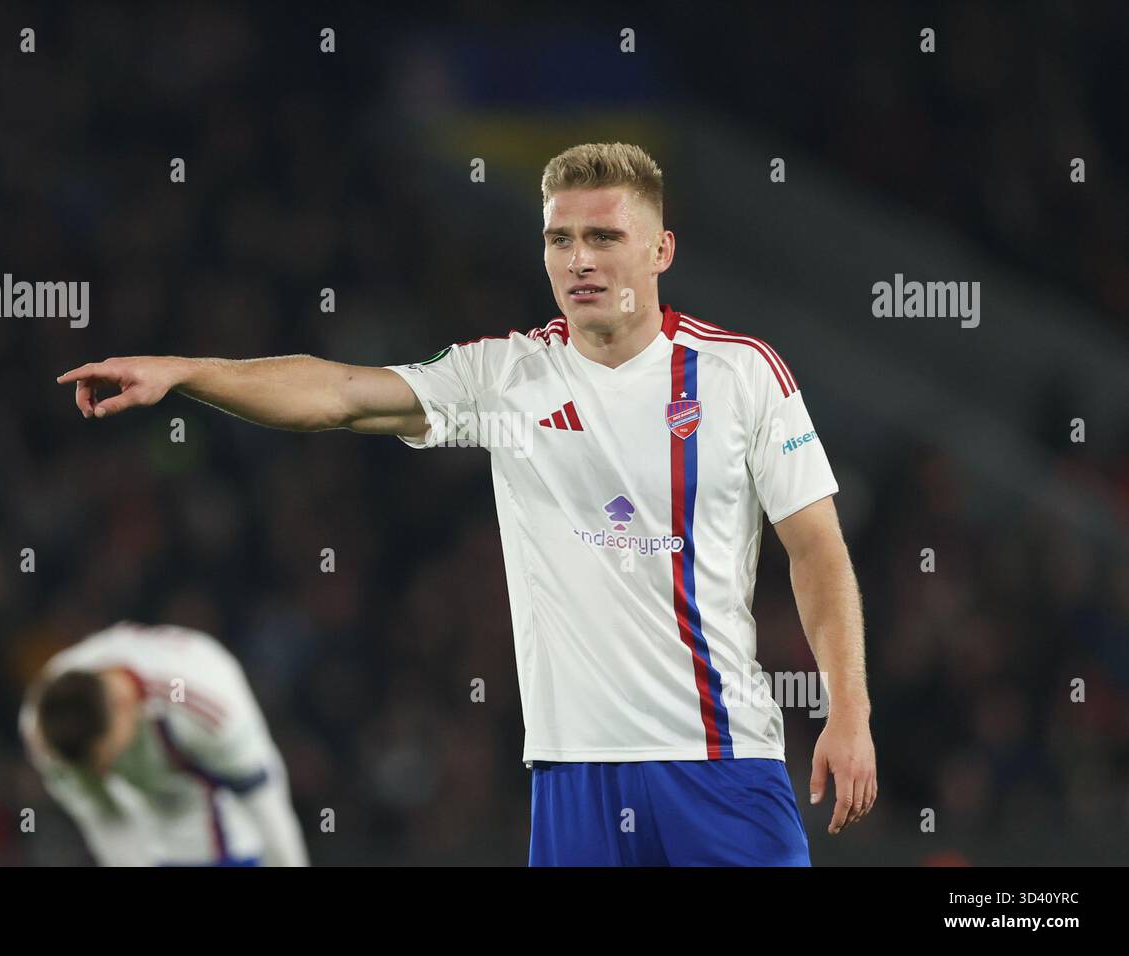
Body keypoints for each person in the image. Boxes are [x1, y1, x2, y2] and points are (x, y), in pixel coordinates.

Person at [56, 142, 876, 866]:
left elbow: (817, 548)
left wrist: (848, 710)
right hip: (571, 772)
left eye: (603, 237)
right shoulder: (504, 375)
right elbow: (339, 393)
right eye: (560, 239)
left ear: (660, 249)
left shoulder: (741, 375)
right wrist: (186, 372)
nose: (579, 260)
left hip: (721, 763)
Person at [20, 621, 309, 866]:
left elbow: (265, 802)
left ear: (122, 706)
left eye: (107, 757)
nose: (103, 770)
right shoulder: (45, 730)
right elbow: (104, 821)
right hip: (149, 826)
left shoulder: (205, 706)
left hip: (220, 823)